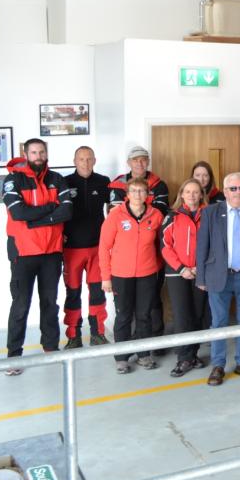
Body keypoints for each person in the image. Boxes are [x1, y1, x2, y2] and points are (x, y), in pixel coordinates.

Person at [2, 138, 75, 374]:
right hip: (23, 253)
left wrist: (35, 221)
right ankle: (14, 356)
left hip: (52, 252)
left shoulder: (56, 179)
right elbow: (18, 212)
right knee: (21, 304)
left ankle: (50, 348)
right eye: (33, 152)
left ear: (46, 153)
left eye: (42, 152)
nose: (38, 156)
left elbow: (67, 210)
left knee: (49, 302)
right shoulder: (12, 179)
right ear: (26, 154)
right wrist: (51, 208)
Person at [196, 173, 240, 386]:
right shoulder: (210, 212)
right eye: (233, 188)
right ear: (225, 191)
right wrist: (201, 276)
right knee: (219, 322)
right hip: (219, 276)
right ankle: (218, 365)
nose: (238, 192)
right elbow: (202, 247)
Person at [98, 177, 164, 374]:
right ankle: (121, 357)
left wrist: (157, 268)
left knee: (144, 315)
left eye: (142, 191)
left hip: (147, 273)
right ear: (127, 194)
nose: (137, 195)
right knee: (124, 315)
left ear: (147, 195)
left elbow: (161, 245)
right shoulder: (115, 215)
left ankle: (143, 355)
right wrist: (105, 277)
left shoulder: (156, 215)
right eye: (133, 191)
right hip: (121, 275)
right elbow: (104, 247)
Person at [108, 145, 170, 349]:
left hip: (152, 259)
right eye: (136, 160)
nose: (140, 163)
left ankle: (154, 343)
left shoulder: (160, 185)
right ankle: (124, 351)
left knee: (151, 304)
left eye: (144, 159)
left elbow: (158, 214)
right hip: (123, 265)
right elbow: (113, 212)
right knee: (125, 312)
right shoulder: (117, 185)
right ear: (129, 163)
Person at [61, 146, 110, 349]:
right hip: (71, 249)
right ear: (75, 161)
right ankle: (74, 335)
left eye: (89, 159)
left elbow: (116, 210)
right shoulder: (64, 182)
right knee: (73, 293)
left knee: (97, 292)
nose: (85, 162)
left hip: (97, 248)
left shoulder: (104, 181)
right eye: (81, 159)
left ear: (95, 160)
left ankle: (98, 333)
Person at [161, 179, 209, 377]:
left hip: (201, 272)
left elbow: (215, 244)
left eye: (195, 192)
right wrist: (182, 268)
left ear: (201, 195)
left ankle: (194, 354)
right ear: (181, 194)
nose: (191, 195)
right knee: (182, 316)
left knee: (198, 314)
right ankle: (183, 358)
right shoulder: (172, 217)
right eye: (187, 192)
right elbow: (165, 246)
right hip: (177, 273)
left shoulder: (209, 215)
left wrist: (201, 267)